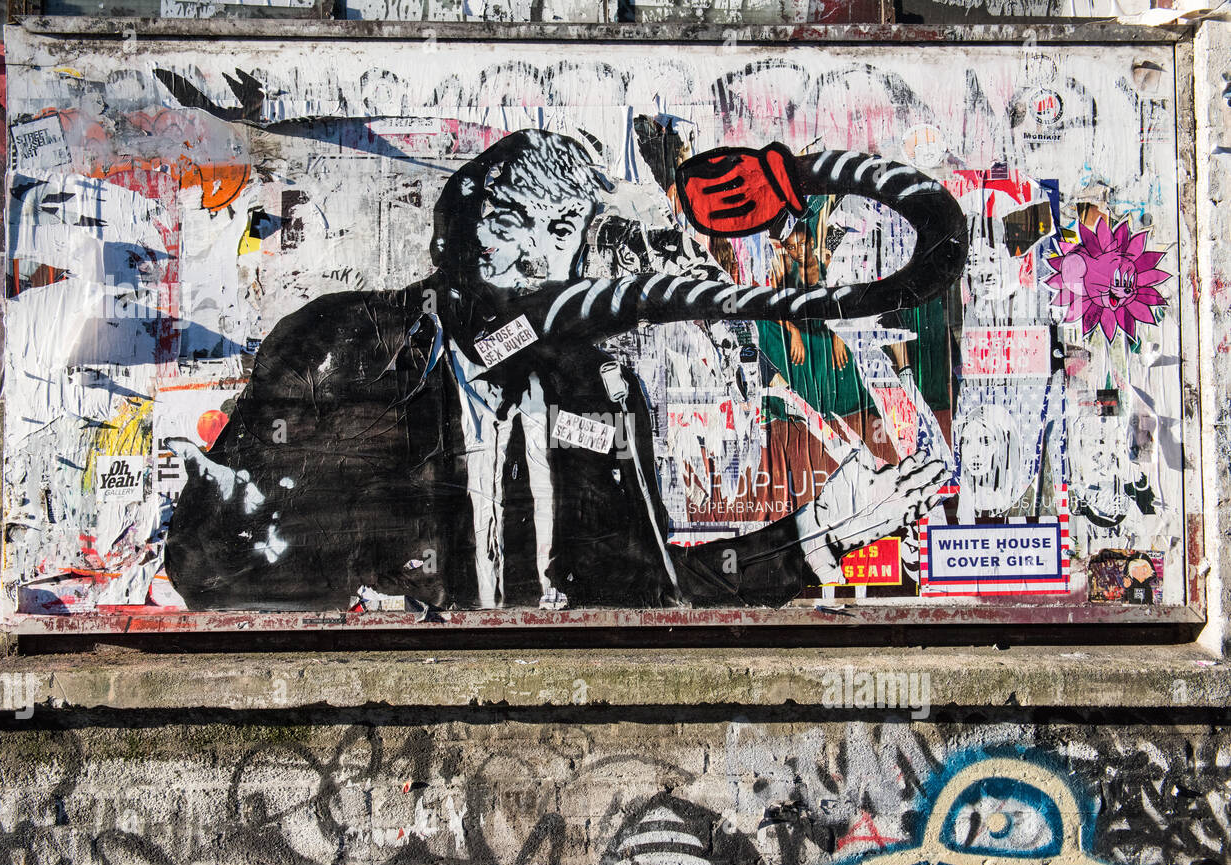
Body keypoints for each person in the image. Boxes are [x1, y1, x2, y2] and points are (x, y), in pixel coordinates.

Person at [163, 130, 961, 611]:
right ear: (474, 229)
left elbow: (651, 597)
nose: (526, 256)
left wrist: (812, 540)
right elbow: (210, 570)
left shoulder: (598, 392)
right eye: (516, 224)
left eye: (563, 236)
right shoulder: (349, 346)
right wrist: (243, 528)